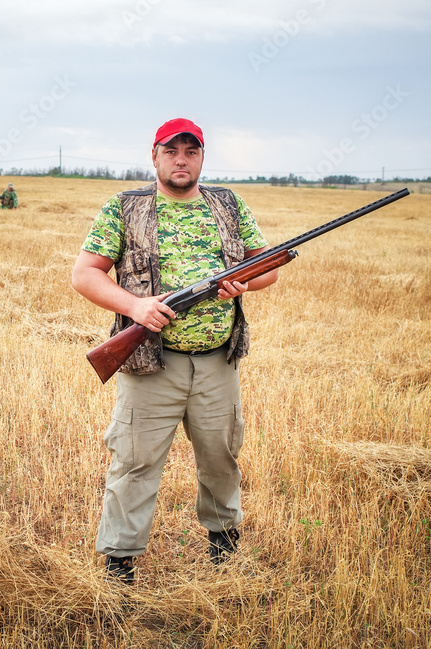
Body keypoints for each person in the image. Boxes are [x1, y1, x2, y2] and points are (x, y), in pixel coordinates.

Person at [71, 118, 280, 584]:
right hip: (150, 364)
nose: (181, 159)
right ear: (155, 156)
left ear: (203, 157)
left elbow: (269, 270)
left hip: (217, 361)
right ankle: (119, 566)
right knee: (135, 460)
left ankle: (224, 553)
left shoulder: (228, 204)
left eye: (191, 151)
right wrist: (137, 307)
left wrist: (242, 281)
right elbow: (85, 274)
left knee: (221, 458)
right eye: (172, 151)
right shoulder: (126, 208)